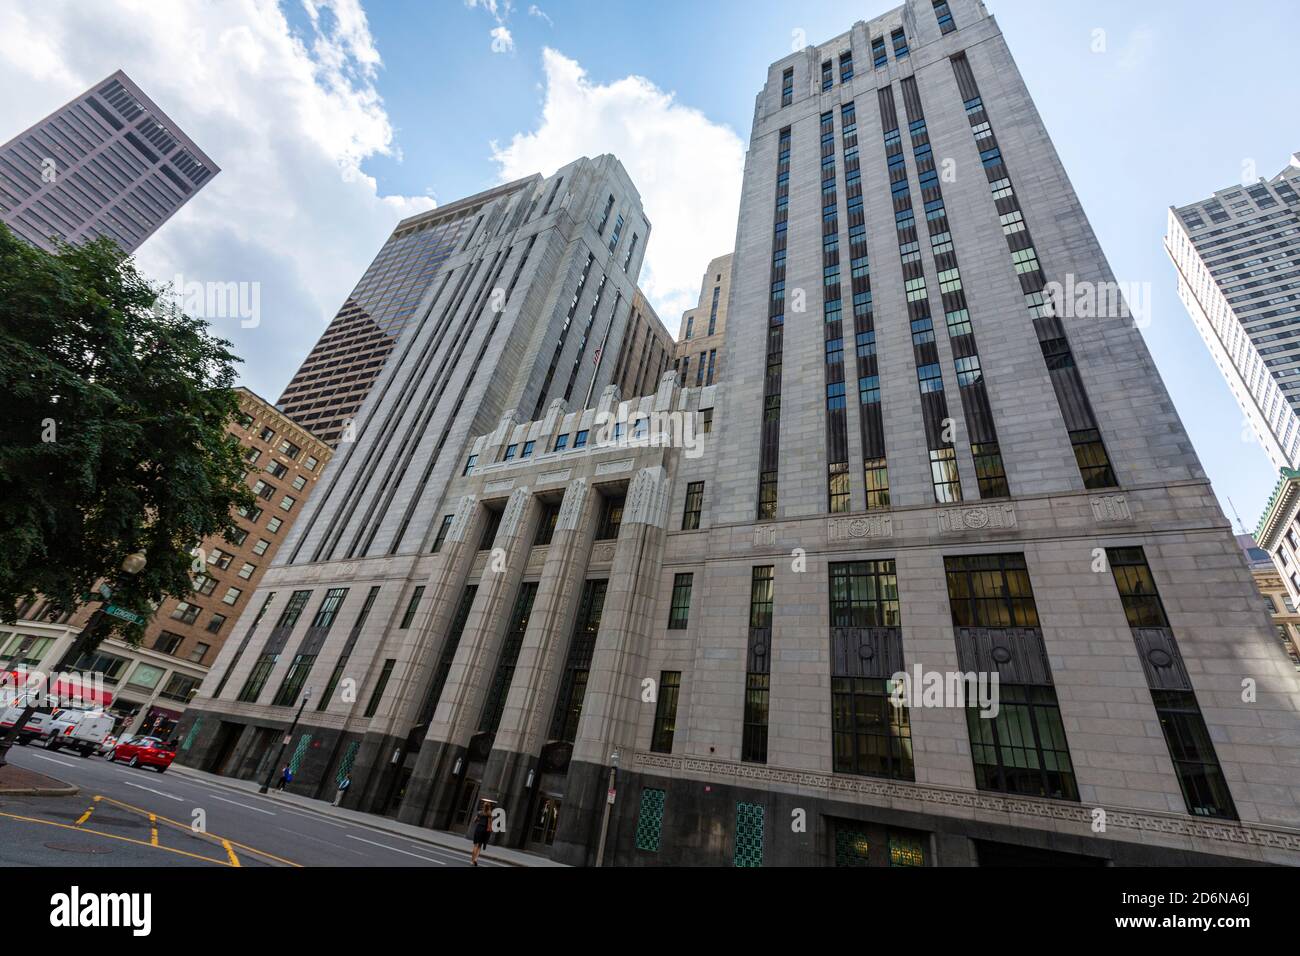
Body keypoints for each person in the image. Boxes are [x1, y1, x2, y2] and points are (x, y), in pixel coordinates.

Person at [471, 799, 493, 866]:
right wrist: (490, 830)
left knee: (475, 845)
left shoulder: (479, 812)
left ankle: (472, 861)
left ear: (483, 806)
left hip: (478, 828)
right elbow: (489, 824)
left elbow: (474, 821)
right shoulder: (489, 814)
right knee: (479, 846)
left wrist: (478, 820)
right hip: (484, 830)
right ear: (489, 807)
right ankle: (475, 859)